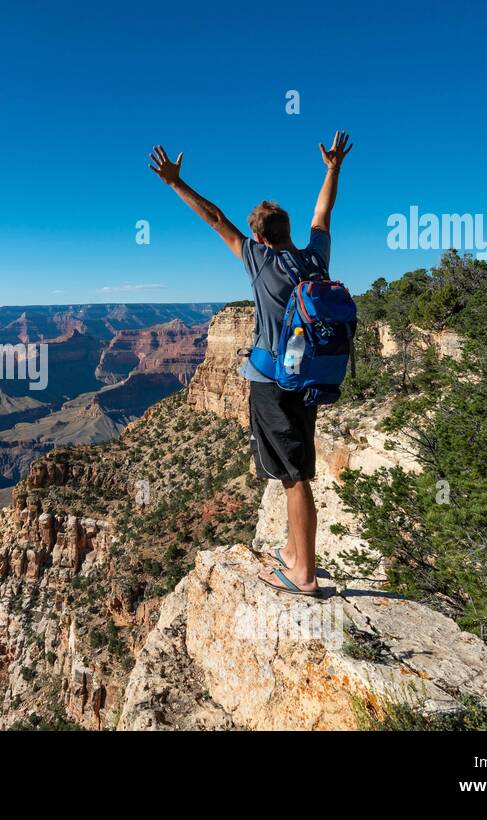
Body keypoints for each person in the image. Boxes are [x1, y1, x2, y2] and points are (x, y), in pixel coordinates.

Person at [149, 132, 354, 596]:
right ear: (288, 229)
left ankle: (303, 574)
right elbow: (324, 214)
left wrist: (175, 183)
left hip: (273, 381)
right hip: (312, 379)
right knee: (297, 461)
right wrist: (332, 168)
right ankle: (292, 549)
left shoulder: (260, 261)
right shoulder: (314, 258)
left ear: (260, 237)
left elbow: (216, 219)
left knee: (293, 476)